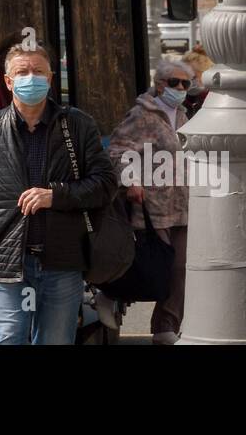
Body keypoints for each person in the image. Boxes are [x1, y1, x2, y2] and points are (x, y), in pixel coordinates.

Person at [0, 41, 118, 345]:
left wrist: (56, 195)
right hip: (6, 262)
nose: (31, 78)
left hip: (62, 261)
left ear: (51, 79)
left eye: (38, 71)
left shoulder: (77, 125)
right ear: (8, 81)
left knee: (54, 341)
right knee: (10, 338)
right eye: (22, 72)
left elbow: (105, 184)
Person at [106, 57, 194, 344]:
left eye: (185, 83)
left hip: (183, 206)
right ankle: (110, 294)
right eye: (174, 82)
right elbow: (117, 151)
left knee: (182, 269)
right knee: (157, 267)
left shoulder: (182, 115)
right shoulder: (141, 116)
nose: (180, 87)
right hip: (153, 208)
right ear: (159, 85)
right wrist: (131, 180)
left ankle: (165, 325)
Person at [181, 45, 213, 119]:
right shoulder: (180, 100)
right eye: (185, 76)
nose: (189, 81)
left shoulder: (213, 101)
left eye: (194, 76)